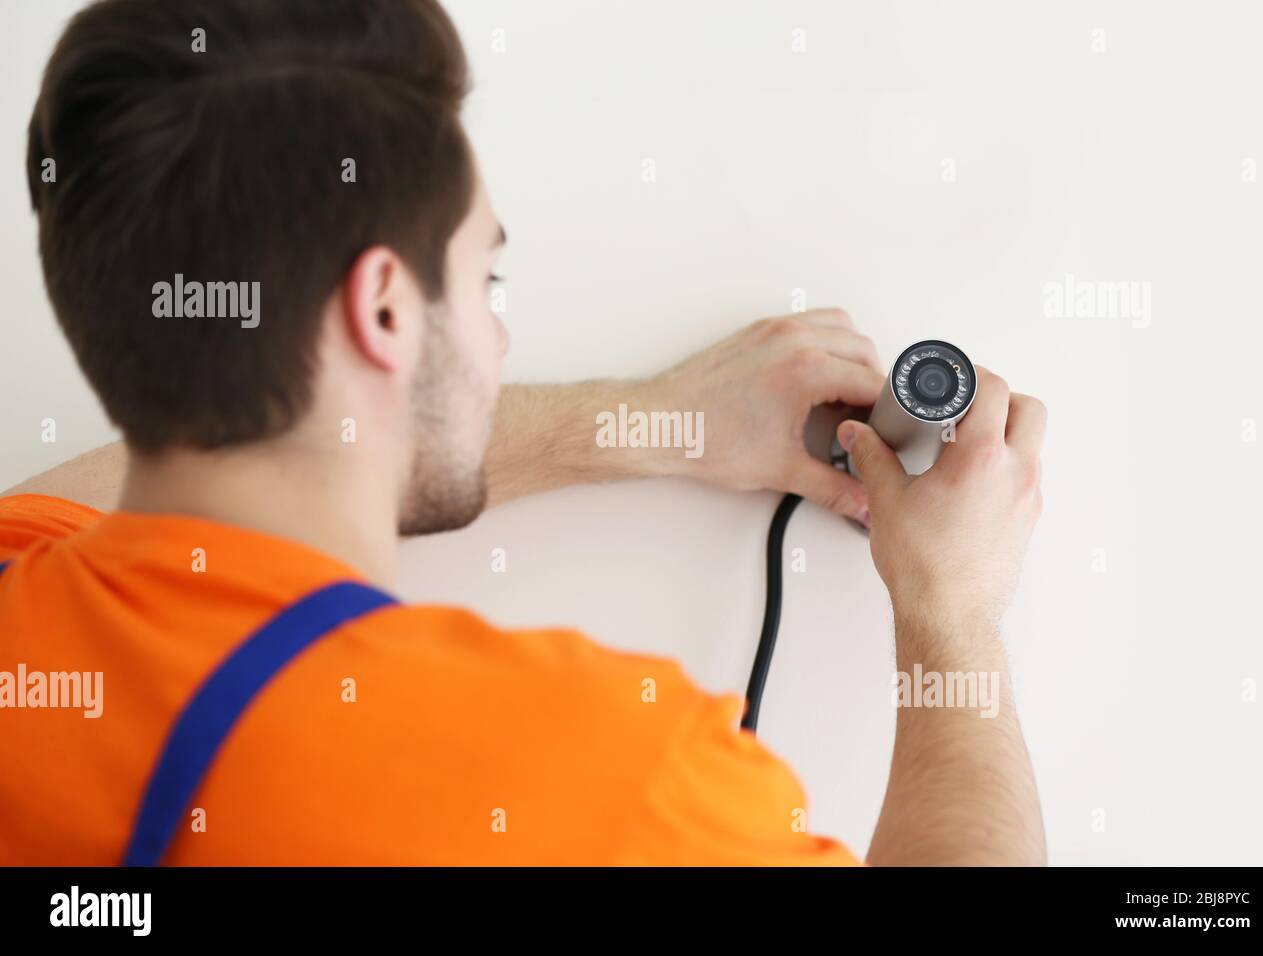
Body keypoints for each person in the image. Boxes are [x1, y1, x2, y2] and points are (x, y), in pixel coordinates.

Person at [0, 0, 1047, 865]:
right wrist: (949, 617)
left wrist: (657, 422)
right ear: (383, 313)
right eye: (481, 279)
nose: (497, 337)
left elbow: (138, 484)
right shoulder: (612, 780)